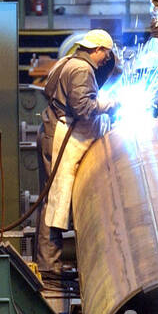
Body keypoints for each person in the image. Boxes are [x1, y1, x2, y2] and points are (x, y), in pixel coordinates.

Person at [35, 28, 118, 290]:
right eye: (105, 53)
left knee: (53, 199)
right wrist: (110, 104)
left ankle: (52, 264)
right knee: (55, 200)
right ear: (96, 50)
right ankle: (49, 267)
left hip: (55, 128)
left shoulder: (69, 61)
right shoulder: (82, 70)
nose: (106, 59)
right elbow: (84, 109)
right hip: (62, 134)